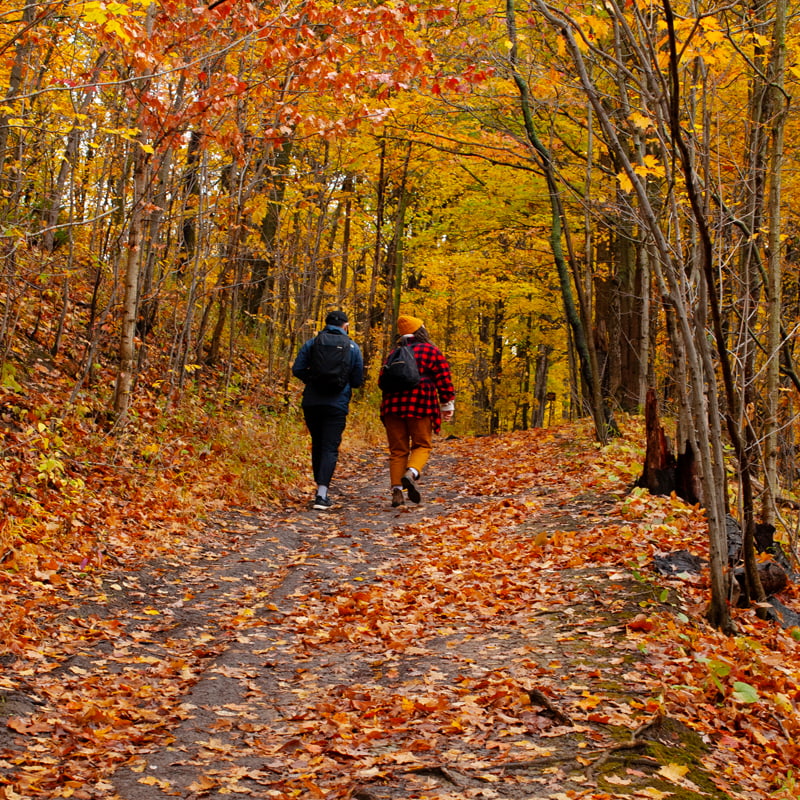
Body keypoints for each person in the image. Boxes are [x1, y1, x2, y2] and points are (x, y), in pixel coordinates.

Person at [379, 314, 455, 508]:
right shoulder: (430, 351)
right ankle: (411, 473)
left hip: (392, 405)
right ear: (421, 331)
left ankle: (397, 492)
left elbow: (382, 381)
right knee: (422, 445)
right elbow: (444, 377)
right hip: (421, 403)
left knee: (397, 450)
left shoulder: (394, 353)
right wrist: (447, 405)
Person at [292, 310, 364, 510]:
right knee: (330, 446)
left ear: (327, 324)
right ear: (345, 325)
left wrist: (312, 381)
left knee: (318, 444)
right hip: (337, 404)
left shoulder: (313, 343)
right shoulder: (352, 347)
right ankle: (322, 494)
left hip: (312, 402)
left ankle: (319, 488)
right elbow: (357, 380)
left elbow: (297, 369)